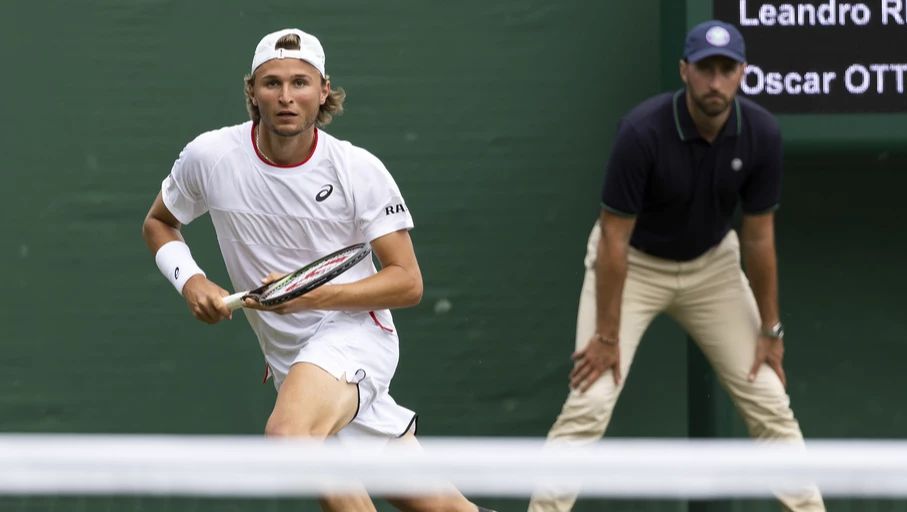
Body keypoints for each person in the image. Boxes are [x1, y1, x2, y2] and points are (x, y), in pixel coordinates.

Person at [141, 27, 493, 512]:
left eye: (301, 82)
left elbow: (408, 282)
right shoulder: (211, 157)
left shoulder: (357, 169)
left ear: (323, 91)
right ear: (252, 91)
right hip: (289, 358)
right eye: (272, 83)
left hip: (355, 336)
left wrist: (309, 297)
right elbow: (159, 222)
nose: (286, 96)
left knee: (289, 436)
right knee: (443, 508)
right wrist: (191, 280)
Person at [527, 20, 825, 512]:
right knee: (590, 403)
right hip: (631, 267)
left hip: (714, 269)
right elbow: (614, 240)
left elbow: (758, 235)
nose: (715, 81)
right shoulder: (642, 131)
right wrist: (606, 336)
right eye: (705, 69)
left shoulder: (762, 134)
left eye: (726, 69)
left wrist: (771, 327)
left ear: (742, 74)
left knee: (771, 401)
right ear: (685, 71)